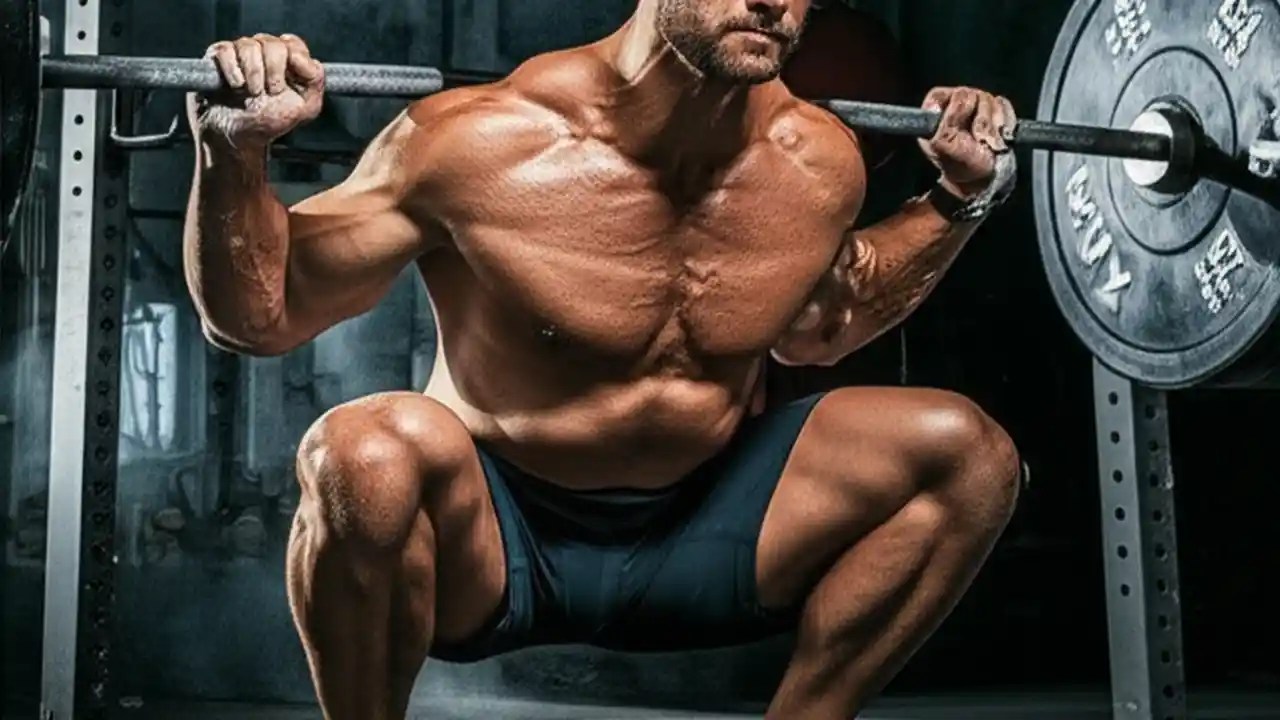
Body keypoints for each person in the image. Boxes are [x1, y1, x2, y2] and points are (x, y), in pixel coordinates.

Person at [183, 0, 1022, 718]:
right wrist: (232, 152)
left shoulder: (816, 160)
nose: (772, 0)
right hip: (499, 546)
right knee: (358, 453)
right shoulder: (476, 141)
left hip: (712, 530)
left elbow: (821, 327)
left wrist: (958, 197)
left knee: (972, 455)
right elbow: (264, 315)